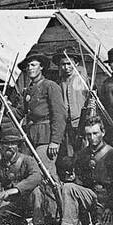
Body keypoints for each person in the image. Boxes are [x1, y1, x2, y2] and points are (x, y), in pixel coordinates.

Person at [0, 129, 53, 225]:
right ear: (1, 146)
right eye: (6, 144)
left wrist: (14, 190)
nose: (9, 147)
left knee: (35, 191)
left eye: (13, 144)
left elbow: (36, 177)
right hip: (15, 204)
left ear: (18, 146)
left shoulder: (28, 160)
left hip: (32, 202)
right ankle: (18, 224)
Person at [62, 115, 113, 225]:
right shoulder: (82, 155)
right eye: (88, 134)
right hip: (90, 196)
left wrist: (111, 207)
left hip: (107, 198)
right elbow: (80, 181)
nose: (92, 137)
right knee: (68, 187)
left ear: (103, 133)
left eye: (95, 133)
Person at [17, 52, 66, 181]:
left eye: (33, 65)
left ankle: (58, 200)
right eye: (28, 66)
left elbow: (59, 115)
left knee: (46, 173)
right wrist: (4, 104)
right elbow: (19, 113)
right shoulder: (28, 90)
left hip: (46, 137)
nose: (30, 68)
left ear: (41, 67)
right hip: (30, 137)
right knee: (27, 172)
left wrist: (55, 141)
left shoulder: (50, 86)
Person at [54, 49, 92, 160]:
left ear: (75, 64)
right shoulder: (60, 82)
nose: (66, 67)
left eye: (69, 64)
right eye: (63, 64)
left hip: (81, 121)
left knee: (84, 150)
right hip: (67, 123)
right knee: (69, 151)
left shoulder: (81, 79)